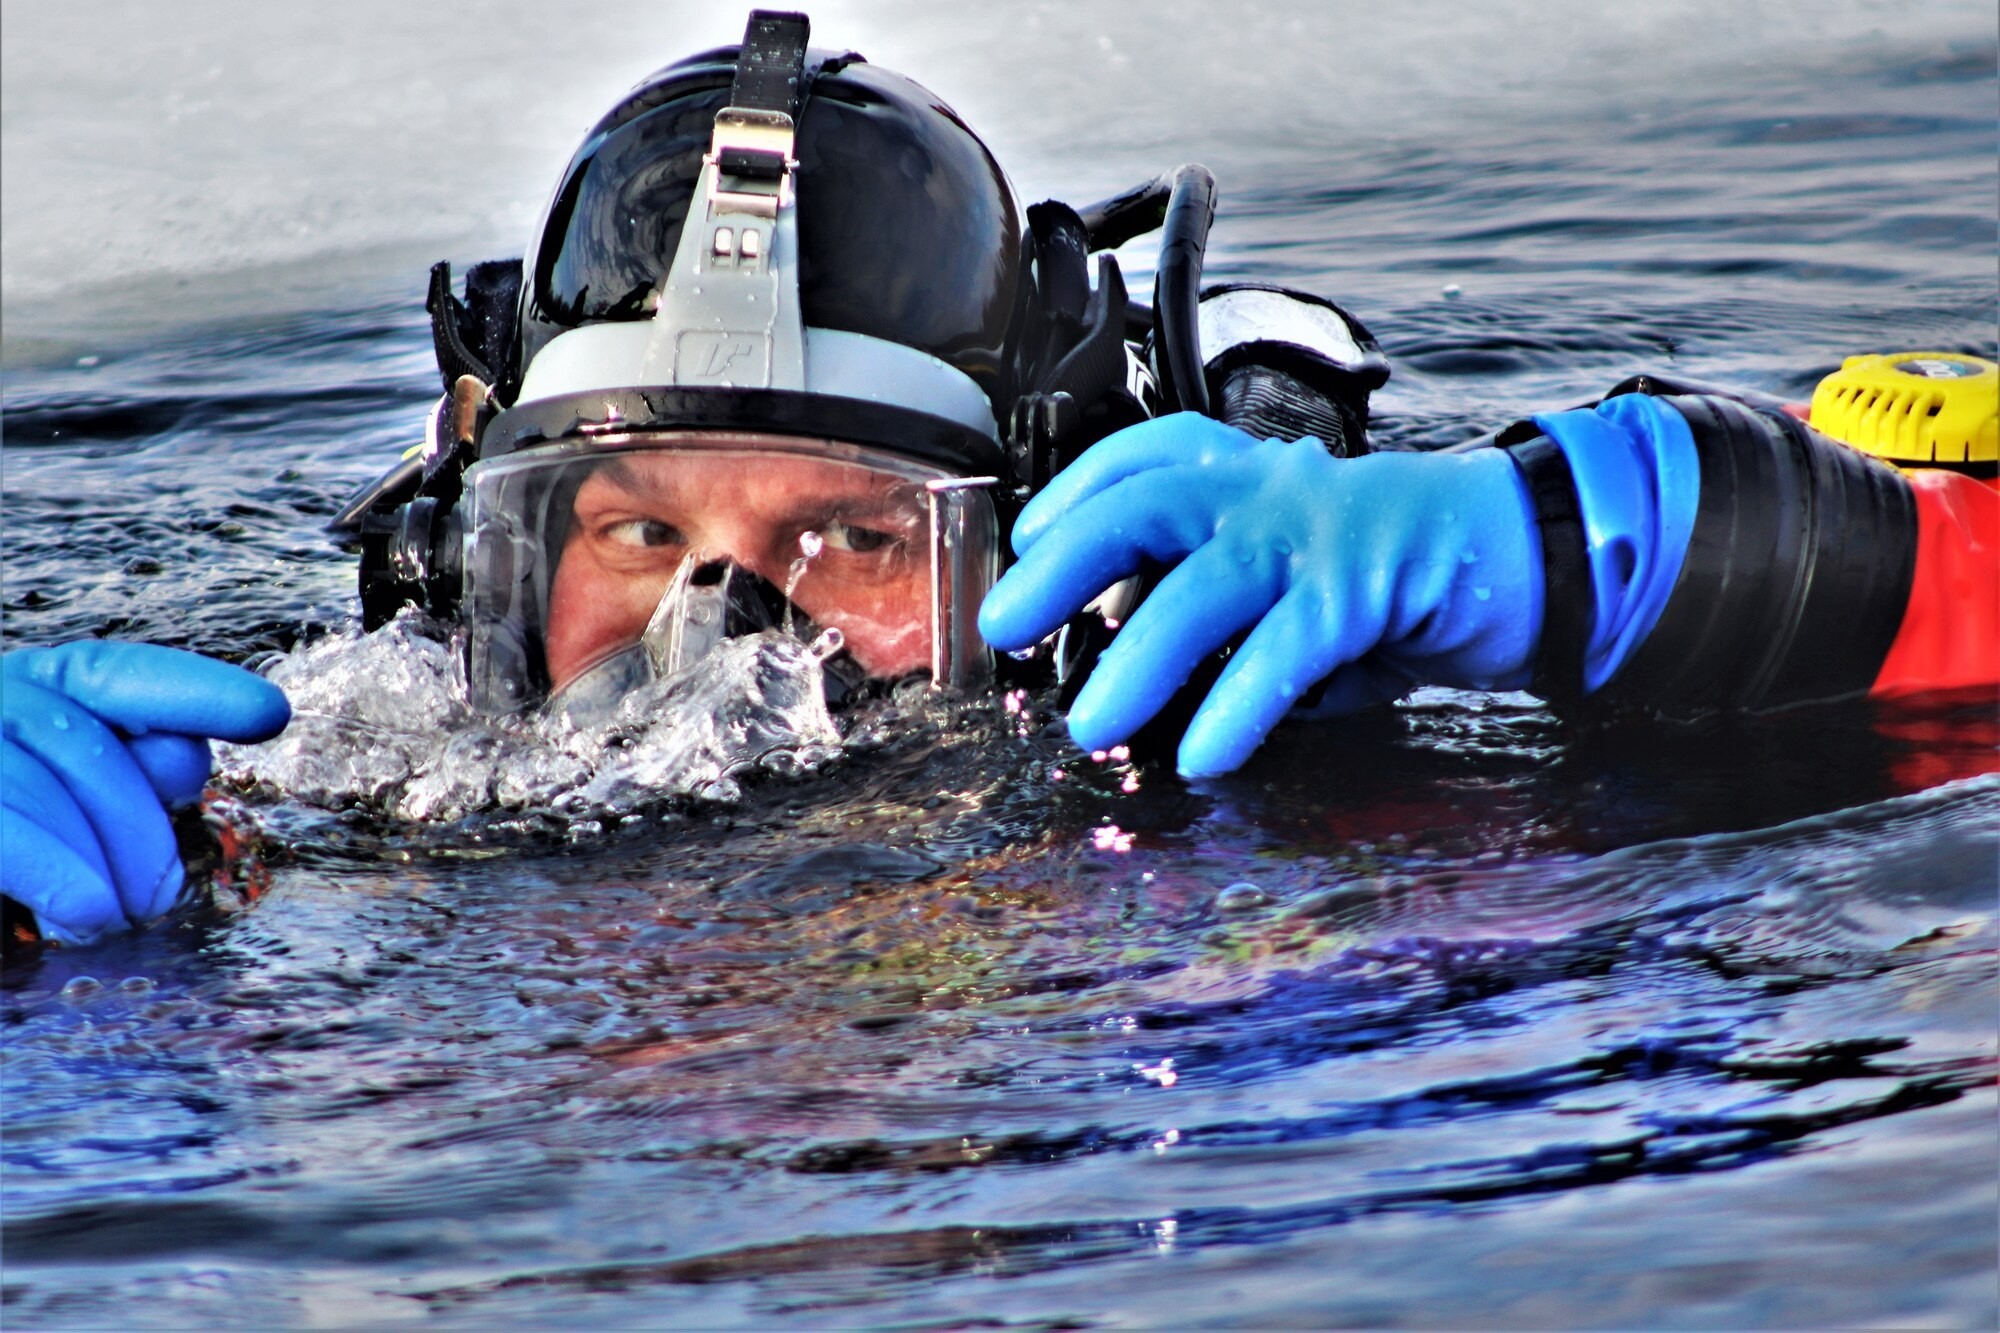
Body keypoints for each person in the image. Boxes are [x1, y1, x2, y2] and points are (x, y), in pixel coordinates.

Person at [6, 10, 1995, 946]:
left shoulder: (1236, 853)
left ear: (1059, 542)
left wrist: (1577, 552)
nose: (722, 625)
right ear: (465, 549)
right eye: (626, 529)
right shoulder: (295, 826)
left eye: (855, 536)